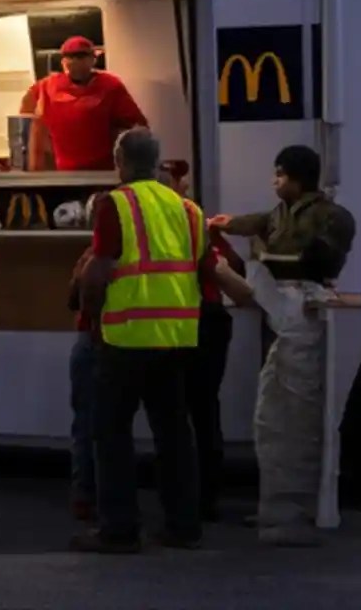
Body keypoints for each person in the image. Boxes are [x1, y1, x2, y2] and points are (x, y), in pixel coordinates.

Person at [211, 144, 356, 547]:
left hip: (300, 323)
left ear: (297, 178)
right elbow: (256, 224)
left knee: (297, 417)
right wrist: (226, 224)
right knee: (271, 417)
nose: (274, 182)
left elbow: (320, 262)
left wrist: (268, 262)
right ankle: (276, 503)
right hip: (277, 321)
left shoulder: (332, 217)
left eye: (279, 175)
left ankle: (298, 510)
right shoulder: (278, 214)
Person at [71, 128, 207, 554]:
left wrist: (89, 317)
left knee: (111, 432)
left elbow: (99, 268)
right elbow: (201, 267)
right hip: (178, 336)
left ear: (120, 160)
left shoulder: (117, 203)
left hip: (126, 336)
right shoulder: (188, 209)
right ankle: (183, 527)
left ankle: (119, 529)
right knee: (174, 434)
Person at [159, 159, 245, 522]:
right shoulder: (197, 221)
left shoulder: (171, 219)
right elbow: (233, 265)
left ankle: (189, 499)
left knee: (180, 415)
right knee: (203, 411)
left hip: (183, 324)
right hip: (207, 320)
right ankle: (204, 498)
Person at [20, 36, 148, 172]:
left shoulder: (110, 86)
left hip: (103, 171)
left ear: (93, 59)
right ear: (64, 61)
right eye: (71, 57)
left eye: (81, 57)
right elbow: (26, 119)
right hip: (61, 173)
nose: (76, 62)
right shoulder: (47, 86)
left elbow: (137, 126)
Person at [66, 195, 101, 523]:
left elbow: (74, 299)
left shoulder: (92, 256)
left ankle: (85, 499)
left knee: (87, 424)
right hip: (132, 342)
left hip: (93, 339)